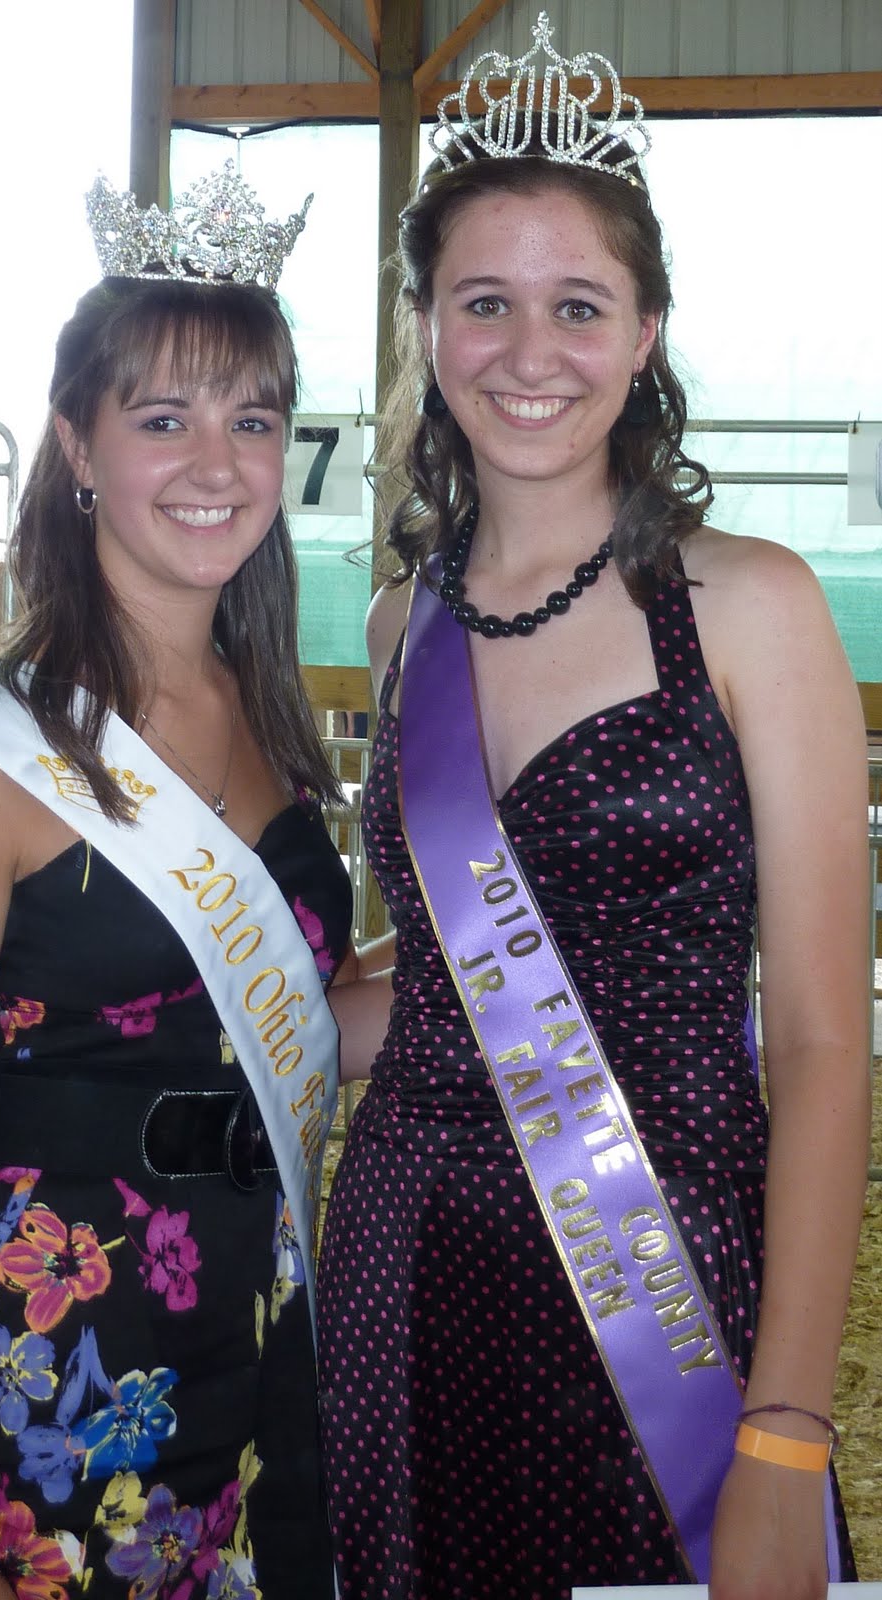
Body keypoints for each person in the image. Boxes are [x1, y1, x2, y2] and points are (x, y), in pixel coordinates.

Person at [317, 17, 870, 1600]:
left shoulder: (751, 610)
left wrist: (782, 1427)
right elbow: (432, 987)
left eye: (576, 306)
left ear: (644, 335)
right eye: (482, 303)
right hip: (405, 1268)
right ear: (427, 326)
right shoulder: (396, 623)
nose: (527, 350)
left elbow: (826, 1041)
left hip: (671, 1284)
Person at [0, 170, 352, 1600]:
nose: (217, 460)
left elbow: (279, 1017)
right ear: (77, 444)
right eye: (162, 418)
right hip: (47, 1384)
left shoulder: (275, 721)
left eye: (252, 419)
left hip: (254, 1342)